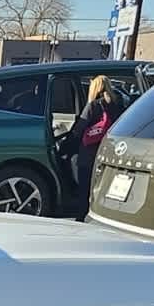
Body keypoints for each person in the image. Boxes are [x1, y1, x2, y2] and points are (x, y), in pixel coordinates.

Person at [60, 75, 128, 219]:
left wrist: (64, 148)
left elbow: (78, 130)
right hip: (110, 154)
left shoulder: (93, 106)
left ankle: (82, 217)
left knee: (84, 191)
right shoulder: (118, 106)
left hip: (88, 156)